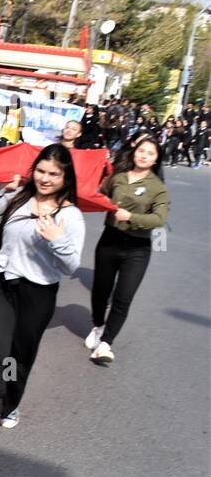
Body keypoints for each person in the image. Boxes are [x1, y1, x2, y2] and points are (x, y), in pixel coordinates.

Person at [0, 144, 84, 439]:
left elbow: (71, 266)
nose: (45, 178)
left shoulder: (70, 217)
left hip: (37, 292)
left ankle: (10, 403)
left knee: (20, 355)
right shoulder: (19, 197)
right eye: (41, 171)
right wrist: (1, 190)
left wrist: (57, 239)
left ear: (65, 178)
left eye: (53, 174)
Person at [86, 135, 169, 365]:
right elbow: (97, 192)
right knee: (100, 292)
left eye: (150, 153)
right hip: (109, 242)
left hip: (137, 249)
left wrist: (131, 217)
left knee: (123, 298)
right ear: (134, 152)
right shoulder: (118, 178)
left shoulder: (158, 188)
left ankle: (106, 343)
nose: (144, 155)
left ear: (156, 160)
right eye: (141, 151)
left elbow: (159, 219)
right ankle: (98, 325)